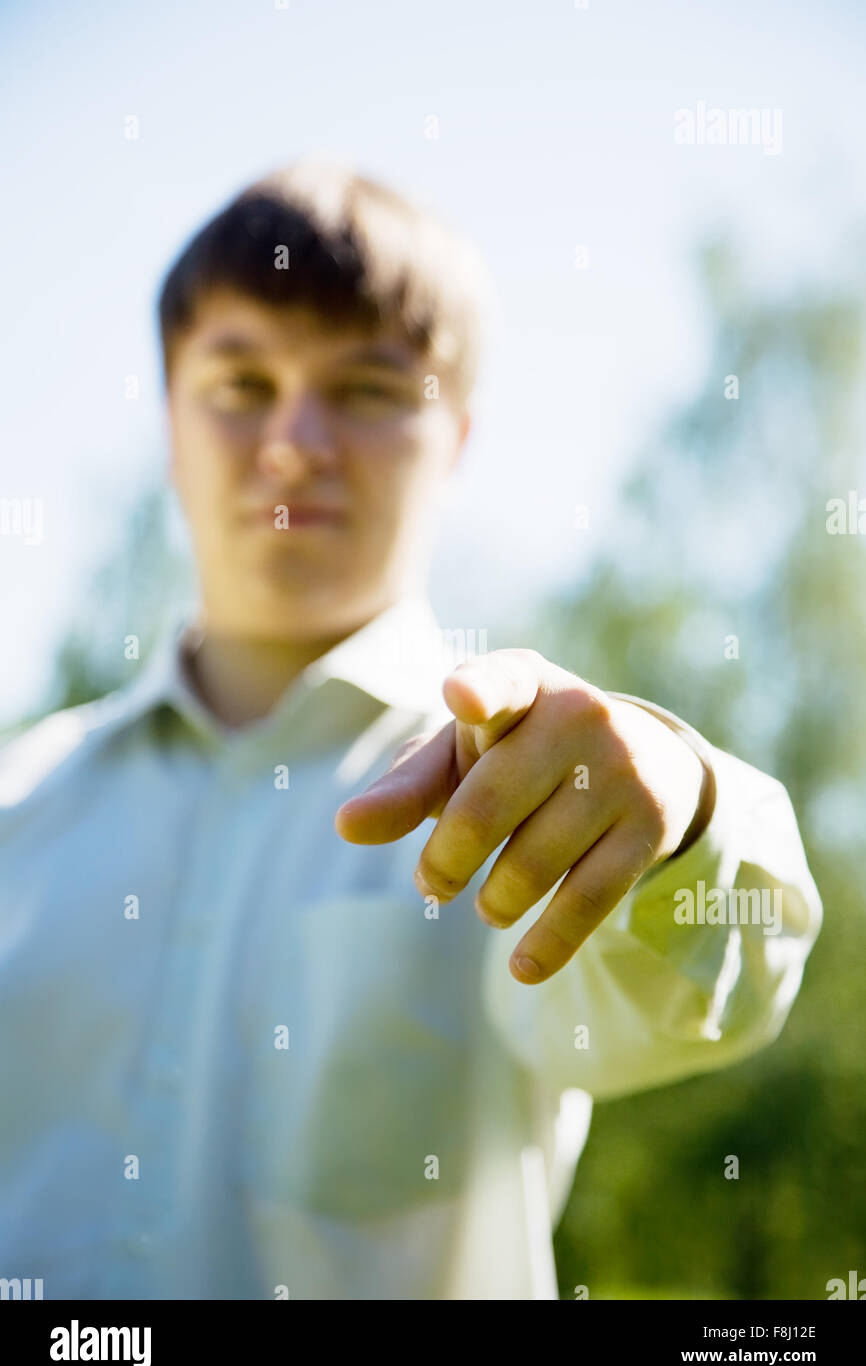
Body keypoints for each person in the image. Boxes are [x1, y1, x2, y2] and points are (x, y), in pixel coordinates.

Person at [0, 158, 822, 1300]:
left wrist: (680, 805)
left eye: (369, 389)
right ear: (169, 423)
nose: (294, 441)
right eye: (239, 382)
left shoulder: (525, 786)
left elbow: (707, 995)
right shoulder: (16, 810)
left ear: (460, 436)